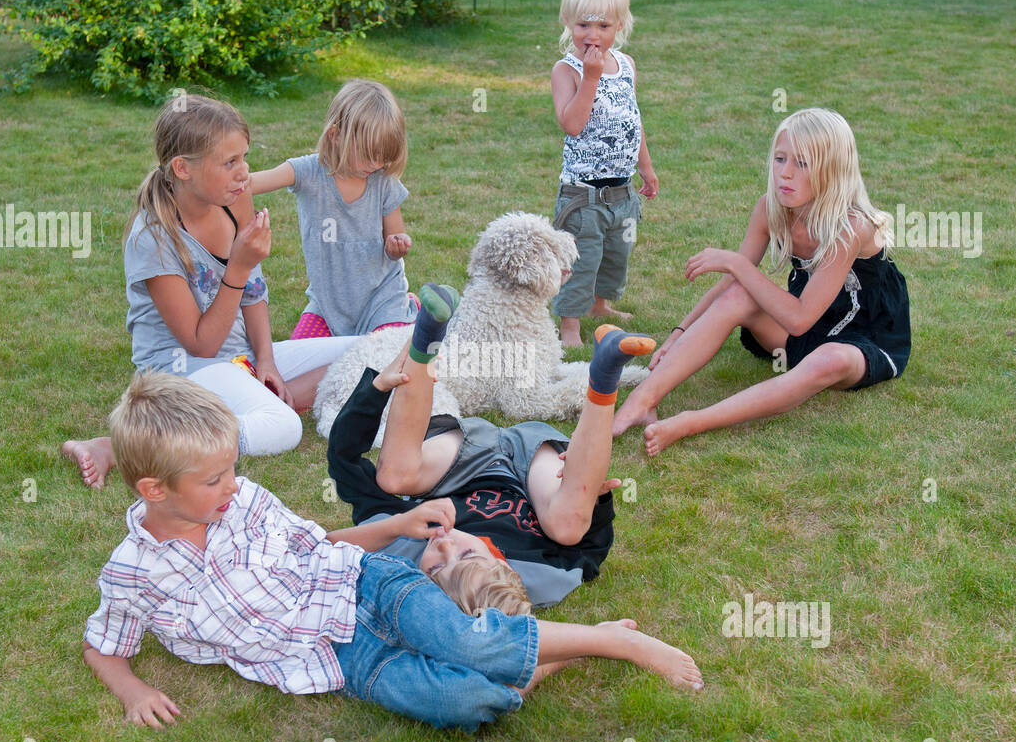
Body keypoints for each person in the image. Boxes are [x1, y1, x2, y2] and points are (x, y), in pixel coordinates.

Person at [81, 371, 703, 734]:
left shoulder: (245, 501)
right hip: (339, 661)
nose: (233, 485)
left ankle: (617, 642)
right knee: (464, 704)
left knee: (466, 641)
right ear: (154, 490)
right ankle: (551, 658)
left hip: (363, 585)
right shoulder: (134, 574)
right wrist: (133, 691)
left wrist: (398, 523)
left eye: (232, 470)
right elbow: (102, 645)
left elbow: (323, 545)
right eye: (214, 479)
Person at [62, 94, 355, 487]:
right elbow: (201, 344)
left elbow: (254, 293)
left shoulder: (236, 198)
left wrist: (266, 360)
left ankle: (257, 390)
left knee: (374, 349)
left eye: (245, 157)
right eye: (230, 162)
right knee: (283, 428)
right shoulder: (154, 237)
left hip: (239, 357)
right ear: (183, 168)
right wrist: (238, 265)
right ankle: (127, 445)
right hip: (181, 371)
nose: (244, 173)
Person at [327, 283, 656, 608]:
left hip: (461, 457)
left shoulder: (406, 543)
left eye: (436, 567)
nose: (445, 545)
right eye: (466, 553)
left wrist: (375, 390)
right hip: (532, 466)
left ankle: (426, 336)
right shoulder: (539, 578)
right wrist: (594, 503)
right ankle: (606, 372)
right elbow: (590, 550)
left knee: (392, 479)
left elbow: (346, 468)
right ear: (502, 563)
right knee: (568, 527)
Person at [612, 108, 911, 456]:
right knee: (739, 293)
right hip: (804, 330)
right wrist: (679, 334)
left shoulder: (852, 226)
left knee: (830, 360)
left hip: (864, 339)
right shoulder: (771, 208)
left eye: (802, 163)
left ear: (832, 170)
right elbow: (731, 288)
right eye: (780, 158)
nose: (785, 173)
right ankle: (643, 399)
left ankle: (692, 421)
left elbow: (798, 316)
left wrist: (736, 263)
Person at [248, 79, 418, 340]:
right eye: (369, 154)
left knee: (383, 362)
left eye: (383, 156)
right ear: (335, 136)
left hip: (382, 301)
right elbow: (253, 183)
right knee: (299, 365)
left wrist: (397, 244)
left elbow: (395, 236)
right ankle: (412, 308)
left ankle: (411, 309)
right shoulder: (307, 171)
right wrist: (216, 180)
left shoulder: (384, 181)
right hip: (327, 305)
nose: (376, 164)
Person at [549, 0, 659, 349]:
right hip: (583, 196)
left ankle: (600, 305)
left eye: (603, 27)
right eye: (583, 26)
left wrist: (645, 167)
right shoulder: (568, 70)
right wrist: (591, 78)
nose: (592, 36)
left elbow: (633, 119)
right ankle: (569, 327)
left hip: (621, 191)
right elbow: (572, 124)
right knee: (581, 260)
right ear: (567, 21)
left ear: (621, 24)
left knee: (615, 255)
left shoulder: (627, 65)